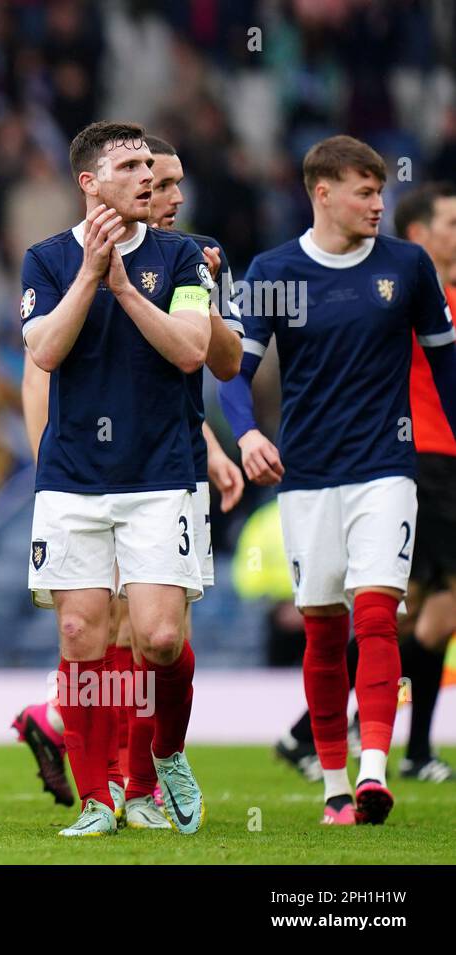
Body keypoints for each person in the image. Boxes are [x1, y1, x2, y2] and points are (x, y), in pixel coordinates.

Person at [220, 136, 456, 825]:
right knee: (324, 629)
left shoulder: (408, 267)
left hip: (388, 467)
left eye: (381, 192)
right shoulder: (275, 270)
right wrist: (249, 434)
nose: (377, 204)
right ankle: (333, 786)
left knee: (380, 611)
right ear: (321, 192)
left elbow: (444, 370)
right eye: (364, 191)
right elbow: (236, 367)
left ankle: (377, 768)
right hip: (306, 475)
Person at [15, 134, 244, 830]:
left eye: (153, 167)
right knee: (82, 631)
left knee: (160, 639)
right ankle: (99, 798)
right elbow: (46, 351)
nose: (148, 178)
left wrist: (120, 285)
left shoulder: (180, 256)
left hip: (159, 472)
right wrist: (91, 275)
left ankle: (162, 758)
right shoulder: (48, 258)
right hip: (74, 476)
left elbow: (192, 351)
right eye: (132, 167)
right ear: (90, 180)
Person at [272, 180, 456, 788]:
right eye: (451, 224)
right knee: (400, 615)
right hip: (417, 463)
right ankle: (377, 744)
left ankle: (389, 745)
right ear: (423, 233)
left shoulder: (424, 286)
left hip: (430, 465)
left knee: (420, 618)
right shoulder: (399, 283)